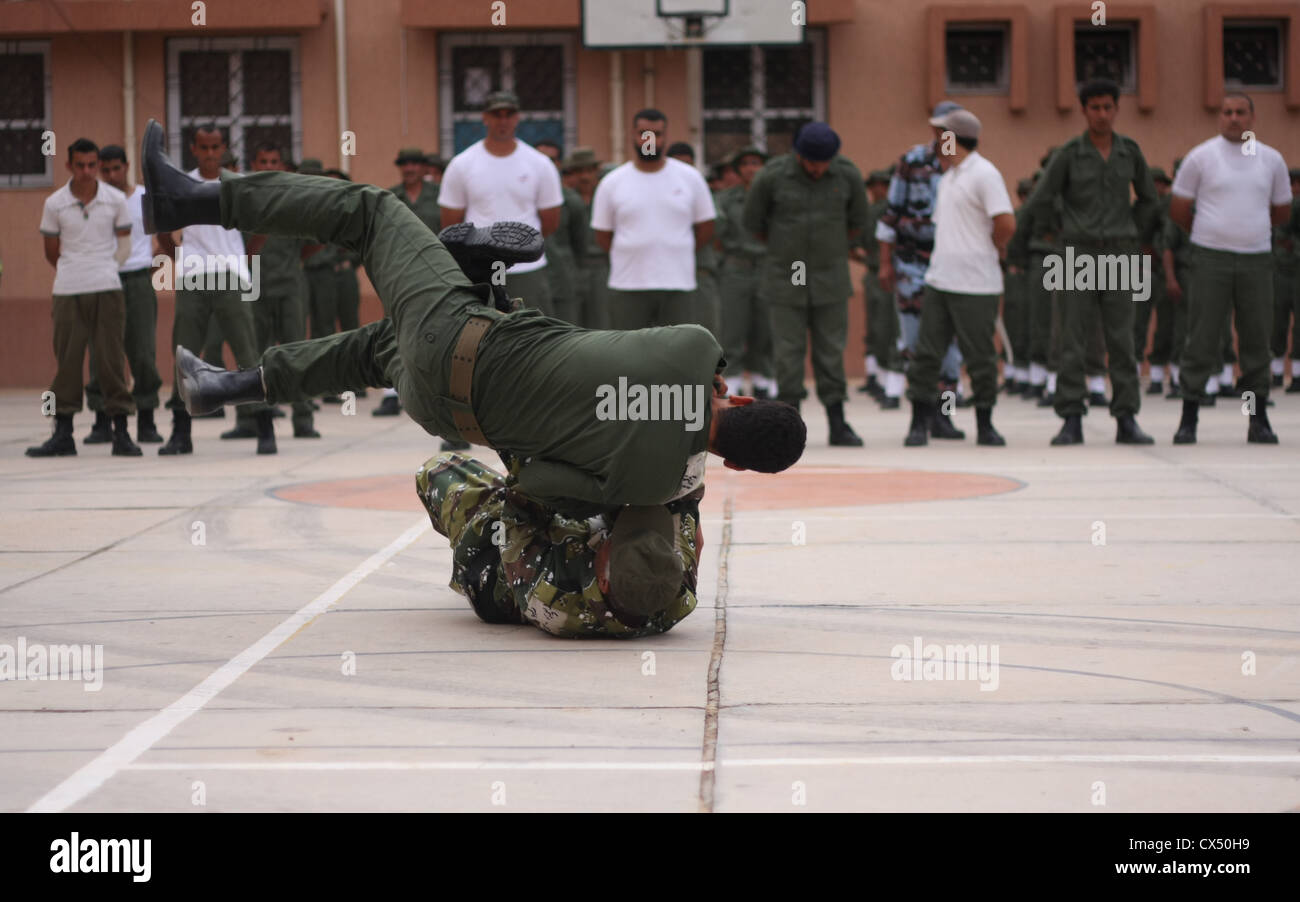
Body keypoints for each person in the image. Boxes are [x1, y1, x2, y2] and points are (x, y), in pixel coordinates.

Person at [139, 119, 805, 516]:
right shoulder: (651, 485)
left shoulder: (694, 347)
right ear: (738, 469)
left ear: (741, 393)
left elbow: (641, 364)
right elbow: (534, 480)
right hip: (444, 412)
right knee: (376, 349)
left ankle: (189, 200)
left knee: (371, 211)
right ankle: (220, 388)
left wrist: (701, 390)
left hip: (463, 335)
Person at [416, 446, 704, 636]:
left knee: (437, 470)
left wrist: (561, 449)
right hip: (583, 539)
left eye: (616, 539)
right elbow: (687, 500)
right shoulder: (673, 588)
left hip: (503, 567)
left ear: (604, 581)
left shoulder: (550, 592)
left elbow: (519, 507)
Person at [1022, 79, 1159, 446]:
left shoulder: (1130, 151)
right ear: (1084, 111)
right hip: (1075, 253)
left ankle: (1127, 417)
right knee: (1072, 339)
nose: (1102, 114)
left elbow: (1149, 199)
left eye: (1108, 107)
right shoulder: (1069, 153)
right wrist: (1054, 232)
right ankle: (1071, 418)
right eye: (1094, 107)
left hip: (1120, 252)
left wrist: (1134, 233)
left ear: (1117, 109)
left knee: (1123, 339)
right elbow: (1042, 198)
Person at [1170, 92, 1290, 444]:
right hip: (1210, 258)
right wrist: (1209, 232)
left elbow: (1281, 211)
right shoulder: (1201, 157)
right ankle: (1189, 417)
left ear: (1252, 117)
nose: (1233, 118)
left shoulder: (1270, 160)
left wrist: (1250, 229)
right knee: (1202, 338)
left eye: (1240, 113)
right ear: (1219, 117)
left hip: (1256, 259)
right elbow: (1179, 208)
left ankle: (1257, 418)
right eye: (1226, 113)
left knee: (1255, 341)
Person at [744, 122, 868, 446]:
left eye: (823, 162)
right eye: (812, 161)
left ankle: (838, 422)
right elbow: (753, 223)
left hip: (830, 278)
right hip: (787, 277)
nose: (817, 168)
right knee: (788, 354)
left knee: (831, 353)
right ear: (798, 154)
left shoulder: (847, 175)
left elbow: (858, 223)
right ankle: (789, 426)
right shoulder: (772, 176)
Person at [154, 124, 274, 455]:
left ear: (223, 148)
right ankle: (181, 432)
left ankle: (264, 425)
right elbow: (163, 227)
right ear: (193, 148)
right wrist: (179, 257)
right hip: (194, 276)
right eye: (203, 148)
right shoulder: (182, 183)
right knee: (185, 354)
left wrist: (244, 258)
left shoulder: (235, 183)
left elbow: (262, 224)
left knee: (246, 350)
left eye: (215, 147)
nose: (210, 154)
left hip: (230, 275)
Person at [903, 110, 1016, 447]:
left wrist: (990, 248)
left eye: (941, 137)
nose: (935, 144)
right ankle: (918, 423)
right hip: (941, 280)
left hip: (976, 284)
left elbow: (1006, 223)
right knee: (926, 355)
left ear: (955, 138)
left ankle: (986, 423)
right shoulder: (949, 177)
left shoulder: (984, 174)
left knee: (980, 356)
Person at [28, 138, 141, 458]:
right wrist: (75, 269)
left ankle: (121, 432)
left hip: (107, 288)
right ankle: (62, 432)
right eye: (81, 165)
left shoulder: (115, 199)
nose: (88, 171)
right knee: (67, 361)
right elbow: (51, 251)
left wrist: (106, 268)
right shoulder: (55, 203)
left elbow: (124, 244)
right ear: (69, 166)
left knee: (111, 360)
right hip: (68, 289)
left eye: (93, 165)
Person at [877, 102, 969, 419]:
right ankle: (921, 416)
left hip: (954, 267)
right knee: (915, 344)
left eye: (954, 128)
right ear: (933, 129)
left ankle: (946, 417)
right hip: (912, 265)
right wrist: (886, 263)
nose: (947, 134)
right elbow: (890, 215)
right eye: (942, 127)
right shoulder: (912, 161)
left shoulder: (969, 166)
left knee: (952, 348)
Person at [439, 91, 563, 316]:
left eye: (509, 114)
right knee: (479, 334)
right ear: (485, 117)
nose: (503, 120)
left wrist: (520, 248)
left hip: (527, 268)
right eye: (497, 114)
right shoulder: (462, 164)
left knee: (533, 335)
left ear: (517, 118)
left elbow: (551, 221)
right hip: (480, 269)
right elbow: (451, 221)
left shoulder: (540, 164)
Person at [591, 109, 716, 331]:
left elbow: (706, 227)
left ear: (666, 136)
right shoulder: (612, 182)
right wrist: (633, 251)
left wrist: (676, 249)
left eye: (656, 134)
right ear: (632, 135)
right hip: (627, 284)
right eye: (643, 133)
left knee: (678, 353)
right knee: (627, 354)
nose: (649, 140)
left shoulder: (690, 178)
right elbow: (602, 235)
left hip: (678, 284)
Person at [84, 144, 164, 445]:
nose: (111, 175)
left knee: (143, 352)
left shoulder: (144, 198)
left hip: (138, 280)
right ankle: (102, 420)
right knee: (102, 353)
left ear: (126, 166)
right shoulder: (93, 203)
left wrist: (147, 271)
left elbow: (165, 238)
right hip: (105, 280)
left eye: (116, 168)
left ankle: (147, 419)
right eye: (105, 170)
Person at [716, 146, 775, 398]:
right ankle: (734, 384)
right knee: (733, 330)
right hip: (736, 269)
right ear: (739, 170)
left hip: (767, 269)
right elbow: (717, 235)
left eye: (757, 163)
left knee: (766, 330)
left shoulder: (775, 198)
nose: (752, 168)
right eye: (746, 163)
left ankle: (765, 383)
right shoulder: (726, 199)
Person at [666, 142, 722, 340]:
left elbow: (715, 226)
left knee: (706, 332)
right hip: (666, 275)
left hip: (700, 271)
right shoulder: (658, 192)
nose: (683, 169)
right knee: (671, 334)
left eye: (688, 164)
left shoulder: (700, 189)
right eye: (678, 163)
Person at [535, 139, 590, 326]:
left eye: (552, 159)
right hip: (530, 280)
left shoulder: (570, 200)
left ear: (559, 164)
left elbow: (580, 244)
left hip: (563, 281)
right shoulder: (523, 196)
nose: (546, 164)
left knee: (564, 337)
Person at [855, 169, 892, 399]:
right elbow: (853, 243)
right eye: (874, 185)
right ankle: (875, 376)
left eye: (882, 184)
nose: (878, 189)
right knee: (875, 327)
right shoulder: (867, 213)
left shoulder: (890, 209)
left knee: (887, 327)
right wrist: (869, 260)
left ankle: (887, 378)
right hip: (874, 273)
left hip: (889, 275)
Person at [563, 147, 610, 330]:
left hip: (601, 267)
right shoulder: (565, 200)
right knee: (572, 323)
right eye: (579, 171)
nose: (585, 177)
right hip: (573, 267)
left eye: (589, 171)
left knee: (601, 323)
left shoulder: (606, 195)